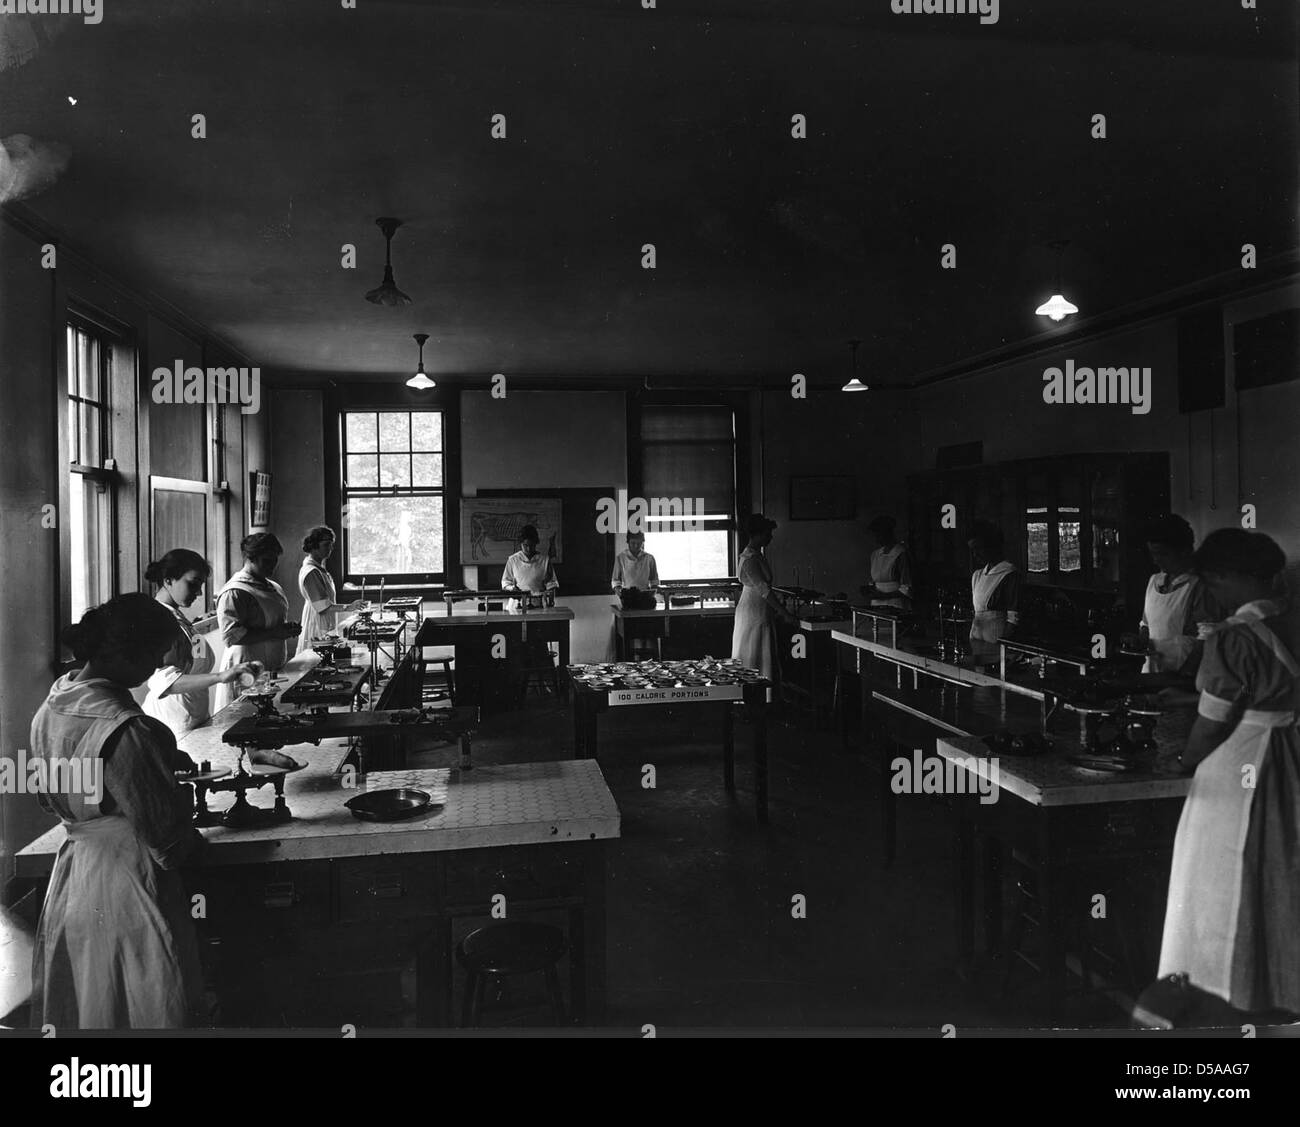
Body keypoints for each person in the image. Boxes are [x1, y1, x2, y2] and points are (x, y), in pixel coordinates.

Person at [29, 594, 206, 1028]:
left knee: (93, 1001)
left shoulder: (51, 705)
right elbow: (166, 837)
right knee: (146, 996)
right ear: (120, 652)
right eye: (150, 655)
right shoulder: (126, 726)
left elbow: (46, 792)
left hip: (76, 871)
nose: (154, 666)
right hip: (131, 877)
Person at [1157, 529, 1299, 1017]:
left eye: (1214, 583)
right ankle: (1279, 985)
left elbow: (1212, 725)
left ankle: (1227, 987)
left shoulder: (1234, 637)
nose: (1213, 595)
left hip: (1244, 768)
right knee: (1281, 873)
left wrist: (1185, 760)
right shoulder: (1291, 619)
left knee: (1226, 876)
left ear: (1230, 577)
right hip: (1291, 756)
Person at [142, 549, 260, 737]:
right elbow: (166, 683)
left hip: (193, 717)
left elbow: (198, 658)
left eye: (201, 585)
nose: (199, 593)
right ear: (168, 580)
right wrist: (221, 677)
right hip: (172, 723)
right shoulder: (158, 621)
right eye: (193, 583)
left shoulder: (178, 618)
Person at [1120, 514, 1226, 675]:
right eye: (1153, 554)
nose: (1156, 560)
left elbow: (1208, 637)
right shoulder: (1154, 581)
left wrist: (1182, 677)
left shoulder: (1199, 586)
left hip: (1182, 675)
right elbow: (1146, 626)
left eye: (1163, 554)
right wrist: (1139, 641)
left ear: (1185, 551)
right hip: (1152, 672)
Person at [214, 533, 300, 711]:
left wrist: (286, 628)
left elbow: (272, 622)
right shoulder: (236, 591)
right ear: (250, 558)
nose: (272, 566)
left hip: (270, 666)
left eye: (275, 560)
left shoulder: (273, 587)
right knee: (245, 717)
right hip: (245, 665)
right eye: (266, 561)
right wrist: (275, 633)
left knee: (270, 715)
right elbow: (231, 636)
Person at [731, 513, 797, 681]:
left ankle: (765, 696)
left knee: (762, 651)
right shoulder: (749, 559)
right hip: (753, 611)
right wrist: (785, 613)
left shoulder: (757, 555)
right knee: (754, 652)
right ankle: (755, 697)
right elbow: (764, 590)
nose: (771, 538)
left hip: (760, 608)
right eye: (768, 534)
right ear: (758, 534)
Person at [296, 526, 365, 654]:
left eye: (331, 544)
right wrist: (349, 607)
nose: (330, 548)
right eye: (326, 545)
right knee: (317, 658)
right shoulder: (311, 572)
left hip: (324, 619)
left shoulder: (319, 569)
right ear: (314, 546)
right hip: (317, 620)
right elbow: (322, 607)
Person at [968, 520, 1020, 647]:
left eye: (978, 548)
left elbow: (1013, 619)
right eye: (972, 550)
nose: (975, 554)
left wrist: (1001, 646)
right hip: (976, 639)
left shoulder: (1008, 573)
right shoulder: (977, 576)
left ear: (992, 545)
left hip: (996, 641)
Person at [502, 524, 559, 612]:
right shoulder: (513, 560)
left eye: (531, 545)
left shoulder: (544, 560)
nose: (528, 549)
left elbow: (551, 583)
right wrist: (512, 588)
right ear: (520, 544)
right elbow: (505, 582)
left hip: (538, 605)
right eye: (525, 545)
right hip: (517, 605)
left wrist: (550, 598)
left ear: (536, 543)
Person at [860, 515, 913, 610]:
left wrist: (884, 595)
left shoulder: (900, 553)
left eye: (878, 534)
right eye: (875, 534)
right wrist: (869, 589)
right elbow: (875, 580)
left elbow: (906, 588)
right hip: (877, 605)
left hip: (895, 605)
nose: (876, 537)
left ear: (888, 533)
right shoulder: (875, 555)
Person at [611, 530, 659, 603]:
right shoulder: (620, 558)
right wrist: (621, 595)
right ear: (628, 542)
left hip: (645, 596)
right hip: (627, 596)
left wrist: (651, 594)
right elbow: (615, 581)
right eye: (633, 543)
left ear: (642, 542)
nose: (636, 546)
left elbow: (654, 580)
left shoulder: (649, 558)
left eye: (639, 543)